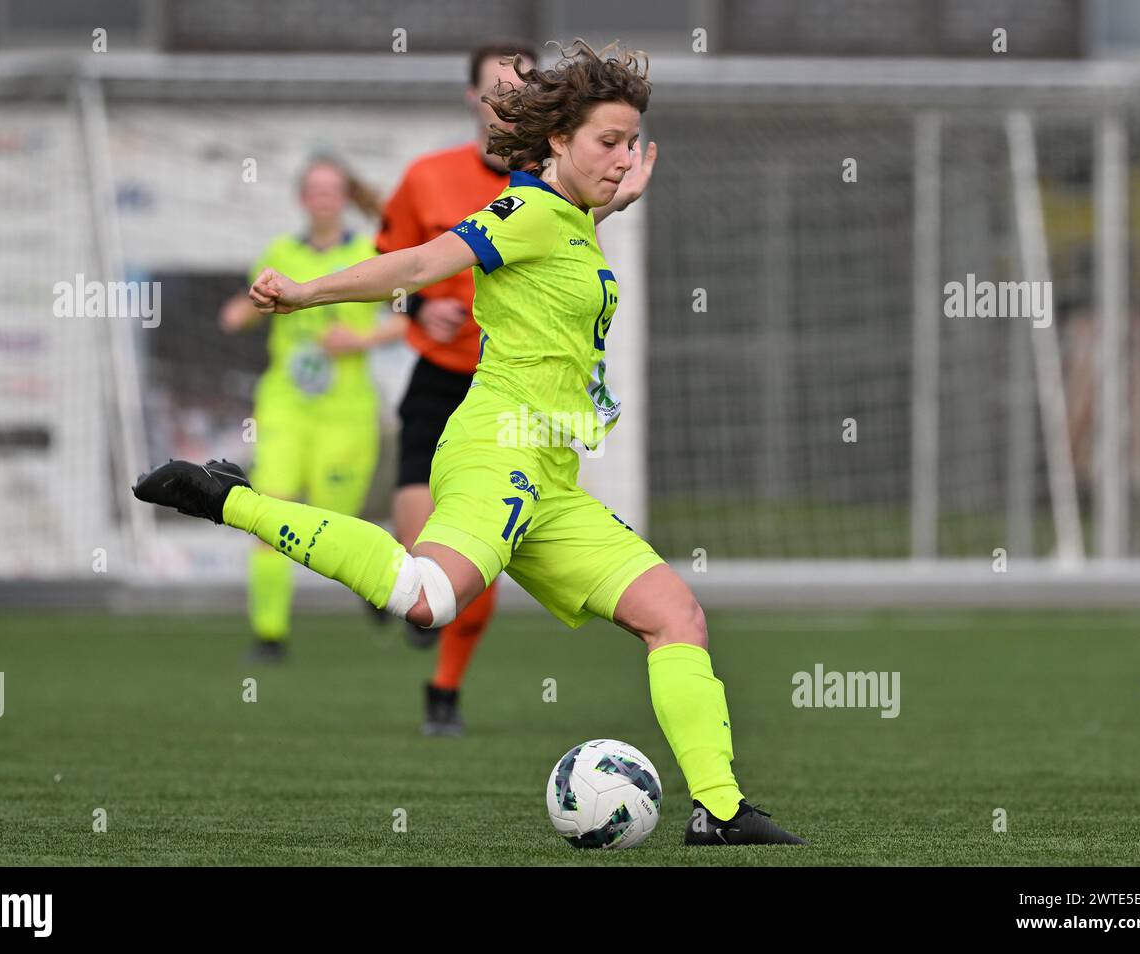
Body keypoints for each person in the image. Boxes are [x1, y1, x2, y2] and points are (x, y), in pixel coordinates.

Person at [135, 40, 805, 846]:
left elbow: (563, 233)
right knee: (426, 596)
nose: (625, 158)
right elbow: (421, 260)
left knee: (676, 615)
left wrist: (609, 202)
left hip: (550, 477)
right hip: (496, 451)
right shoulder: (524, 211)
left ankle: (720, 810)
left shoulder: (568, 216)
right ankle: (227, 497)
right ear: (559, 141)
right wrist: (307, 293)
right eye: (608, 142)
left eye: (633, 142)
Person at [376, 40, 536, 735]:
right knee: (421, 572)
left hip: (510, 396)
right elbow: (387, 275)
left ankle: (443, 693)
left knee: (478, 565)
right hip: (439, 384)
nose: (510, 101)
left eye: (525, 89)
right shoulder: (426, 178)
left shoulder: (551, 185)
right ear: (472, 98)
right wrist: (417, 305)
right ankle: (396, 573)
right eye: (497, 88)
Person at [218, 156, 406, 661]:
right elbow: (253, 303)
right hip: (284, 407)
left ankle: (377, 584)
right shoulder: (281, 251)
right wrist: (243, 310)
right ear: (303, 199)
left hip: (345, 414)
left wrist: (362, 338)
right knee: (270, 509)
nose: (323, 199)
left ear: (345, 198)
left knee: (331, 522)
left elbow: (411, 320)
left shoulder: (372, 252)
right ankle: (268, 636)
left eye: (332, 190)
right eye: (315, 190)